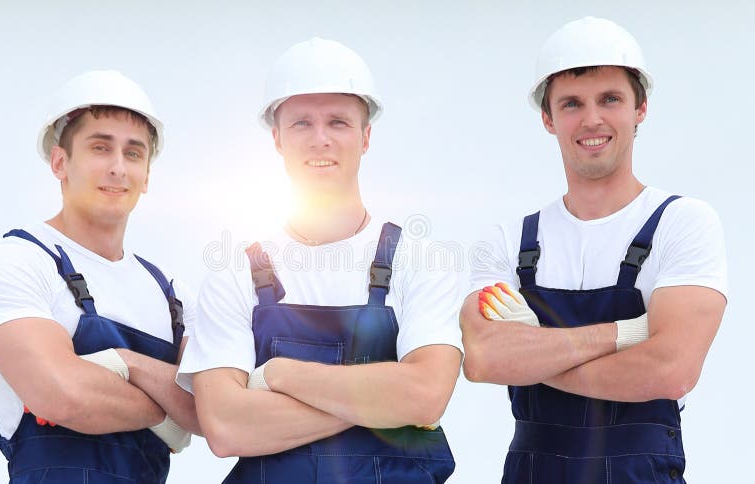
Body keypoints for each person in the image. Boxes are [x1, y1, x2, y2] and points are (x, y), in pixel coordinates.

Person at [177, 37, 462, 483]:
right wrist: (385, 403)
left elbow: (425, 396)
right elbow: (226, 427)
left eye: (338, 122)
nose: (320, 139)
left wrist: (279, 374)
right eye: (301, 123)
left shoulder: (422, 260)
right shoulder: (235, 270)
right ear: (277, 138)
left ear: (365, 137)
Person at [460, 17, 728, 483]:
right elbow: (483, 359)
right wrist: (627, 333)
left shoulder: (683, 223)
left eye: (610, 99)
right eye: (571, 103)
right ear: (548, 118)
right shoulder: (507, 240)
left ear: (640, 108)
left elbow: (672, 369)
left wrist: (535, 355)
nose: (591, 120)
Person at [0, 70, 198, 483]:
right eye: (100, 148)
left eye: (133, 153)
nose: (118, 168)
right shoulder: (18, 262)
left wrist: (124, 364)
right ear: (60, 162)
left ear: (147, 175)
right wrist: (167, 412)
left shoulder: (170, 295)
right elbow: (62, 395)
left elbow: (210, 411)